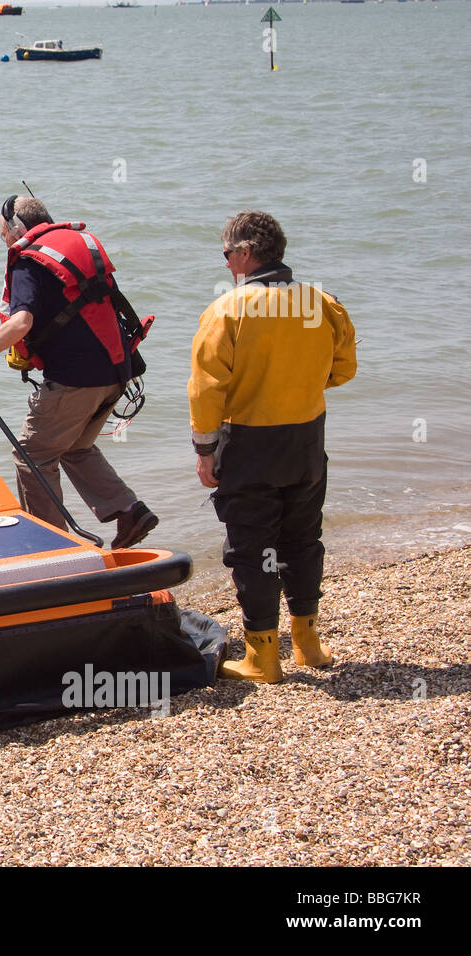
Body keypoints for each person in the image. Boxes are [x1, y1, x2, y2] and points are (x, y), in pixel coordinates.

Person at [190, 210, 356, 683]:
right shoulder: (320, 302)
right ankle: (308, 644)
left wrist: (204, 449)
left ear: (245, 253)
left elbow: (206, 387)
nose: (225, 264)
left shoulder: (227, 309)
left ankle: (263, 657)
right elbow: (344, 369)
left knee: (251, 547)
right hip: (306, 438)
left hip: (249, 444)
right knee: (303, 539)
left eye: (227, 254)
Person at [0, 195, 156, 550]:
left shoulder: (28, 261)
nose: (6, 243)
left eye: (4, 236)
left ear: (17, 229)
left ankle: (50, 543)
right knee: (75, 446)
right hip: (117, 372)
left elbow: (21, 321)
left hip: (76, 379)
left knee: (31, 454)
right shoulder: (78, 243)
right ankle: (129, 511)